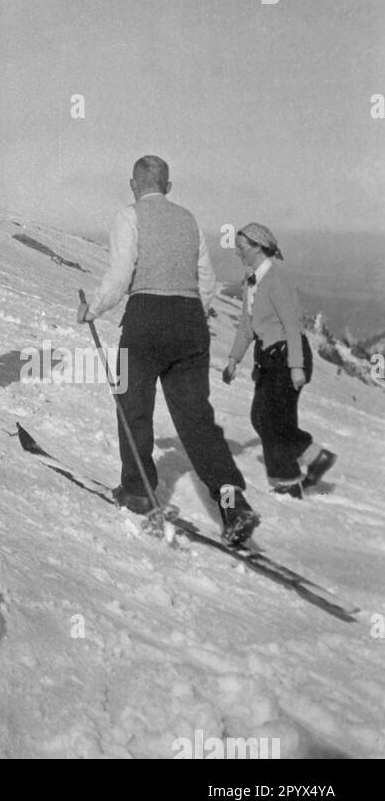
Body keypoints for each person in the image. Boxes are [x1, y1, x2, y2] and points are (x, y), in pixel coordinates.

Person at [79, 155, 259, 544]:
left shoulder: (129, 216)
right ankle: (233, 504)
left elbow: (122, 272)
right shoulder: (188, 219)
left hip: (146, 319)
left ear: (133, 185)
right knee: (197, 420)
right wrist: (190, 312)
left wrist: (93, 307)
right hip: (190, 322)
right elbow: (206, 281)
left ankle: (139, 491)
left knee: (134, 406)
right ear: (169, 186)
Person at [221, 223, 335, 498]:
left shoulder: (276, 280)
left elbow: (292, 326)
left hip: (288, 358)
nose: (238, 253)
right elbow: (247, 326)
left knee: (272, 422)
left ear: (259, 248)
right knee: (262, 418)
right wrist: (234, 359)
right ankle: (313, 455)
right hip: (269, 360)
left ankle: (288, 482)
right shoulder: (252, 282)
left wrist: (296, 367)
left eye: (242, 248)